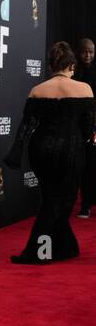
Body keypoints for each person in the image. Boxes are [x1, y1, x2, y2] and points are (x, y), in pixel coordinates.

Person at [3, 41, 93, 262]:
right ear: (71, 65)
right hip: (70, 150)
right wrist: (80, 144)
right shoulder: (84, 89)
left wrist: (17, 150)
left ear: (52, 66)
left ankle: (64, 246)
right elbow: (88, 127)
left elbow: (26, 127)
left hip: (41, 150)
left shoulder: (37, 90)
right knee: (63, 199)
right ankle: (39, 251)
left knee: (51, 197)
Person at [75, 38, 96, 218]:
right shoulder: (73, 73)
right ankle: (86, 204)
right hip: (78, 128)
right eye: (84, 52)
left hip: (95, 127)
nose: (88, 55)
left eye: (91, 52)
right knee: (85, 167)